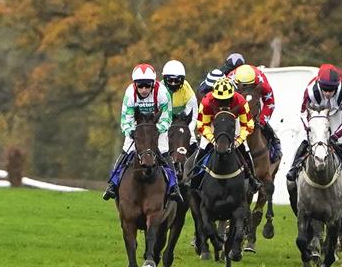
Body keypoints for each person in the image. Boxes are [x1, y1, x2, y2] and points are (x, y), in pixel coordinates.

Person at [102, 63, 184, 203]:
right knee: (127, 150)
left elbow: (167, 118)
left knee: (163, 151)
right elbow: (126, 119)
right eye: (140, 86)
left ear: (153, 84)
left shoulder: (163, 93)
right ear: (135, 85)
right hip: (137, 126)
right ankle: (112, 184)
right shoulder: (130, 94)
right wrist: (131, 131)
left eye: (148, 85)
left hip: (156, 127)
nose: (144, 89)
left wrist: (157, 130)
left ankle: (174, 186)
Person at [286, 64, 342, 213]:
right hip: (316, 116)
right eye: (325, 89)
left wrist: (336, 135)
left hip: (336, 114)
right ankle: (294, 168)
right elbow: (303, 113)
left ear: (337, 87)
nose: (327, 93)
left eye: (331, 90)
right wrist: (309, 129)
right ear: (319, 85)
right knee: (306, 141)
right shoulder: (310, 91)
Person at [190, 74, 260, 192]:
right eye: (220, 100)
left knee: (245, 149)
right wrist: (213, 140)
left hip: (233, 124)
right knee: (202, 149)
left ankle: (253, 179)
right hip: (212, 125)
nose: (223, 103)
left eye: (227, 100)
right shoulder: (206, 101)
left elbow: (248, 125)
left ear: (233, 95)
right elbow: (202, 125)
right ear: (214, 96)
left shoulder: (241, 101)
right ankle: (194, 182)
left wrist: (238, 141)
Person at [230, 63, 283, 163]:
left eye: (249, 86)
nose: (246, 89)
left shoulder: (262, 83)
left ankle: (275, 144)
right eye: (244, 86)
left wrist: (261, 121)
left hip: (256, 99)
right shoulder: (230, 80)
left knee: (259, 117)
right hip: (236, 101)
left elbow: (270, 103)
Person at [161, 58, 198, 146]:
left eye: (177, 80)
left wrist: (186, 131)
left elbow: (193, 116)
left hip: (182, 124)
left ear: (182, 80)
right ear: (165, 79)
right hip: (163, 123)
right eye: (170, 80)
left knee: (192, 142)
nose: (173, 83)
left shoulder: (188, 91)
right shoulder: (159, 90)